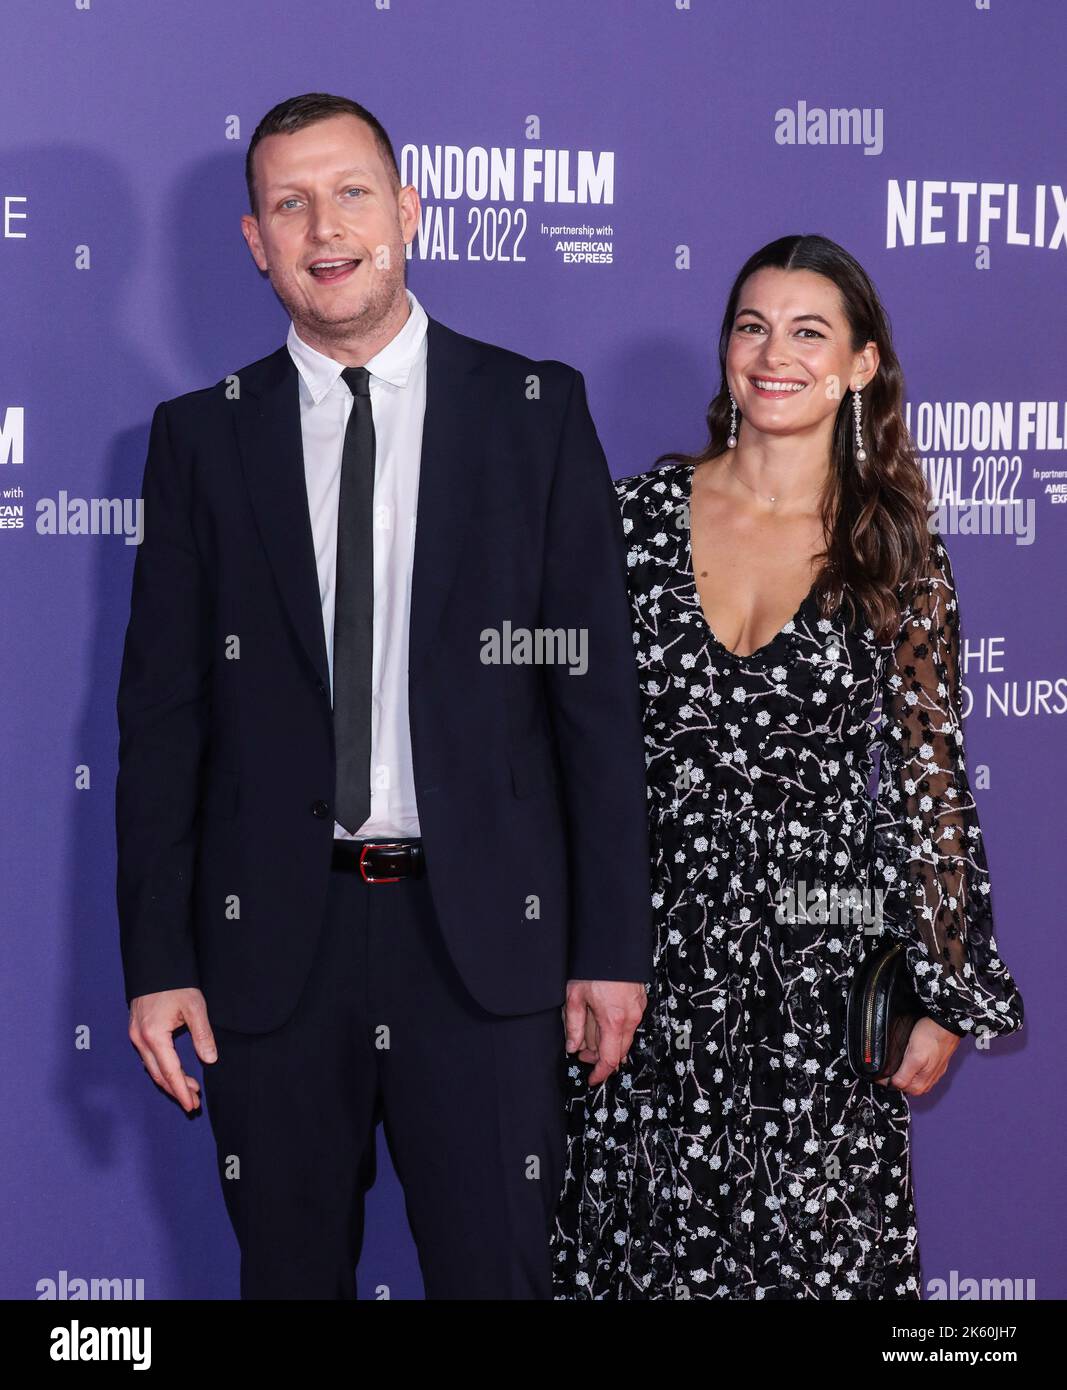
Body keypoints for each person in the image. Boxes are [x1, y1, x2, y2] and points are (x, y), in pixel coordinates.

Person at [116, 91, 652, 1300]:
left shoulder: (535, 413)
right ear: (255, 240)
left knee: (495, 1279)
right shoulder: (201, 439)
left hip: (484, 954)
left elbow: (593, 706)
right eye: (289, 203)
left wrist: (612, 946)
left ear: (408, 211)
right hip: (272, 955)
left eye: (351, 191)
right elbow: (160, 722)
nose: (325, 226)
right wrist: (157, 957)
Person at [551, 233, 1025, 1300]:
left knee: (811, 1265)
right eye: (751, 326)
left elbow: (927, 778)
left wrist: (943, 988)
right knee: (635, 1255)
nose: (773, 353)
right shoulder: (628, 520)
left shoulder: (892, 545)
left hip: (816, 976)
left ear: (860, 364)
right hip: (645, 959)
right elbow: (565, 748)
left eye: (808, 331)